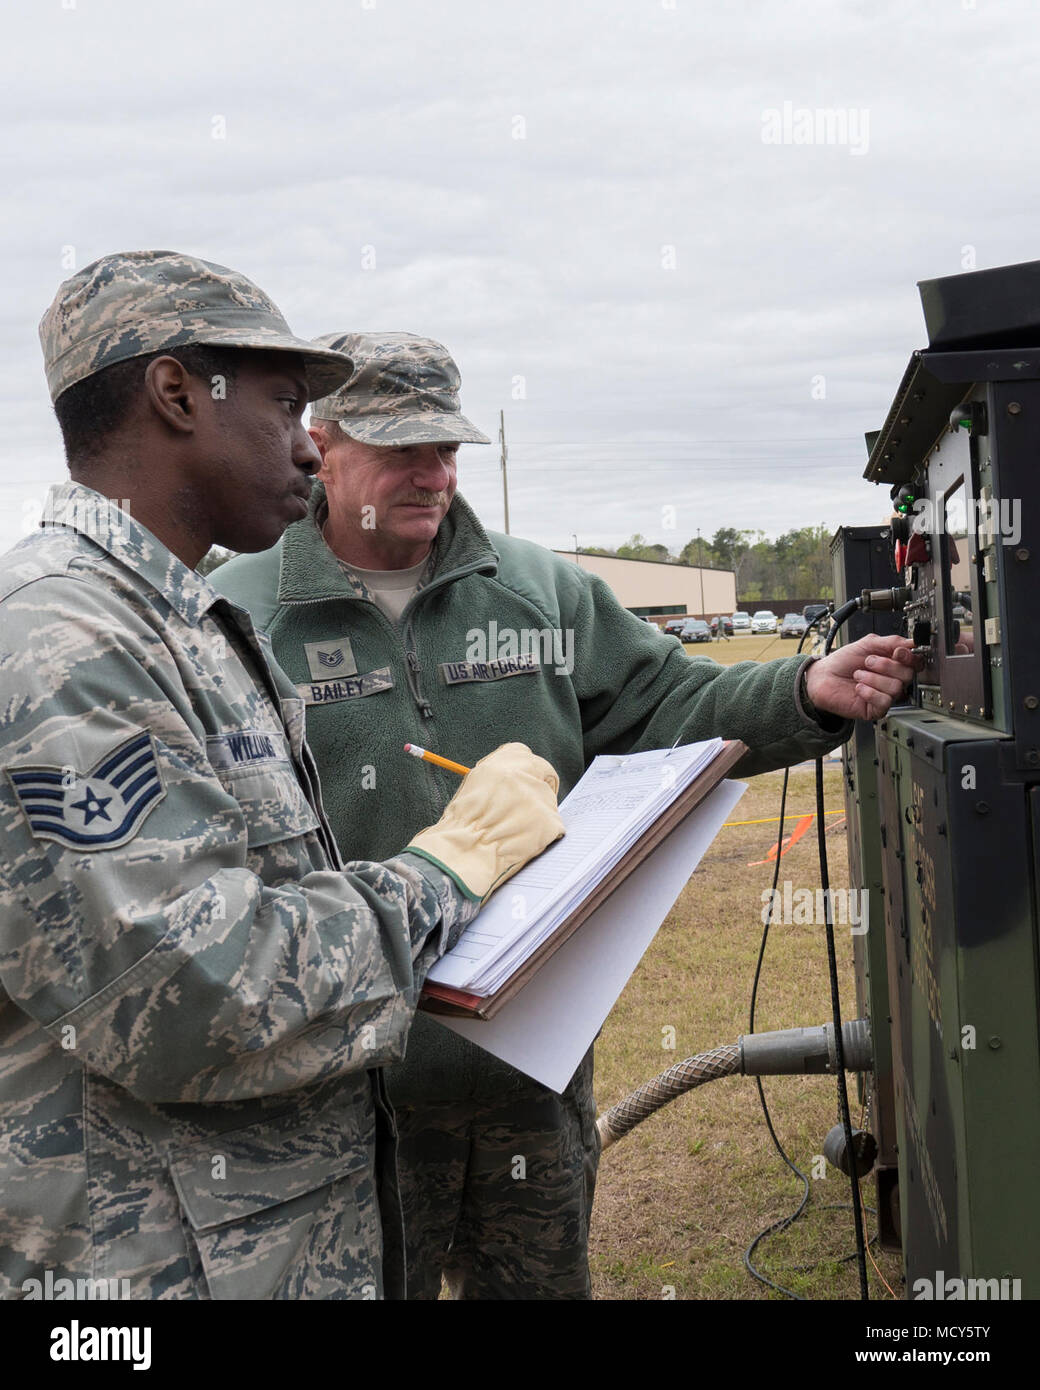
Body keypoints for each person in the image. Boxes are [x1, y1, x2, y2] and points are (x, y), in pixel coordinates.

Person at [213, 331, 920, 1300]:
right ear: (321, 440)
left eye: (446, 447)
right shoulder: (235, 614)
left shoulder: (535, 590)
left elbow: (667, 701)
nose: (432, 473)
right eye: (400, 448)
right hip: (345, 1100)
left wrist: (802, 687)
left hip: (526, 1076)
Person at [0, 257, 563, 1302]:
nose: (311, 442)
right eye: (288, 404)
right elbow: (198, 994)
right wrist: (455, 860)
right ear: (178, 395)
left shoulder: (176, 623)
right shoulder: (65, 643)